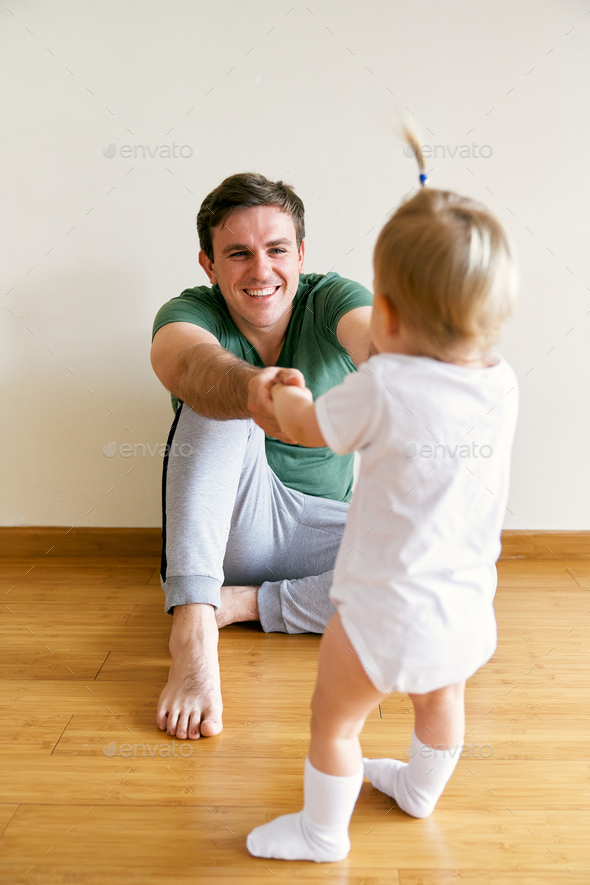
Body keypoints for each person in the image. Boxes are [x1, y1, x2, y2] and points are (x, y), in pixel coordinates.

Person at [246, 141, 519, 863]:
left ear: (387, 310)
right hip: (464, 607)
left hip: (381, 614)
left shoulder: (385, 384)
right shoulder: (501, 382)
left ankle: (320, 833)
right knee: (440, 702)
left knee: (333, 722)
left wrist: (291, 392)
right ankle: (420, 791)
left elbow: (309, 428)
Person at [150, 172, 376, 740]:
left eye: (277, 250)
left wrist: (409, 356)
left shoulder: (333, 299)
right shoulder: (188, 313)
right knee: (215, 396)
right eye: (238, 254)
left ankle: (248, 605)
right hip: (235, 528)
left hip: (328, 536)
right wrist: (254, 390)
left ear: (300, 254)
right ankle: (195, 628)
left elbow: (374, 338)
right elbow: (184, 363)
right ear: (208, 264)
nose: (261, 271)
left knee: (456, 573)